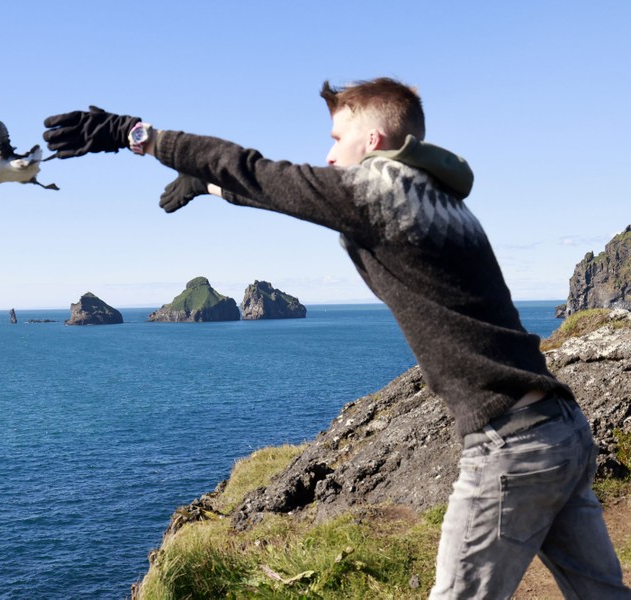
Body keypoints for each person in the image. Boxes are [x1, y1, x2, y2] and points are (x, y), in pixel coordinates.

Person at [42, 78, 630, 599]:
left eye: (335, 136)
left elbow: (256, 169)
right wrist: (210, 187)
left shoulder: (378, 191)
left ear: (371, 142)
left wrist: (134, 133)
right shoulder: (439, 200)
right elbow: (283, 193)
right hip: (561, 428)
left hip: (512, 447)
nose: (327, 152)